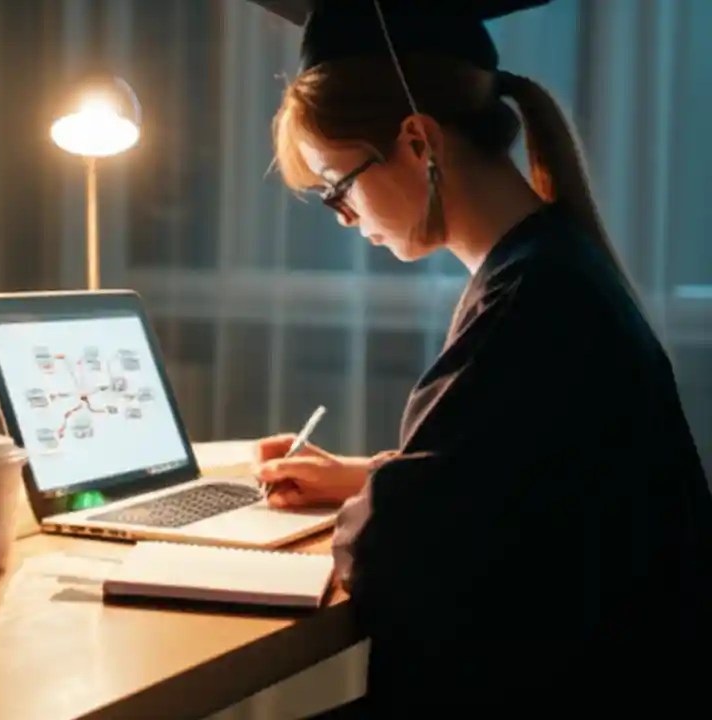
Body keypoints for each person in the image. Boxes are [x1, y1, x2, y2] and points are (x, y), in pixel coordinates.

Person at [248, 0, 712, 715]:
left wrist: (384, 501)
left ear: (417, 141)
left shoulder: (530, 300)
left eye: (338, 186)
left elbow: (395, 558)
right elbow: (523, 485)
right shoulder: (554, 263)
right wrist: (371, 476)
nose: (345, 217)